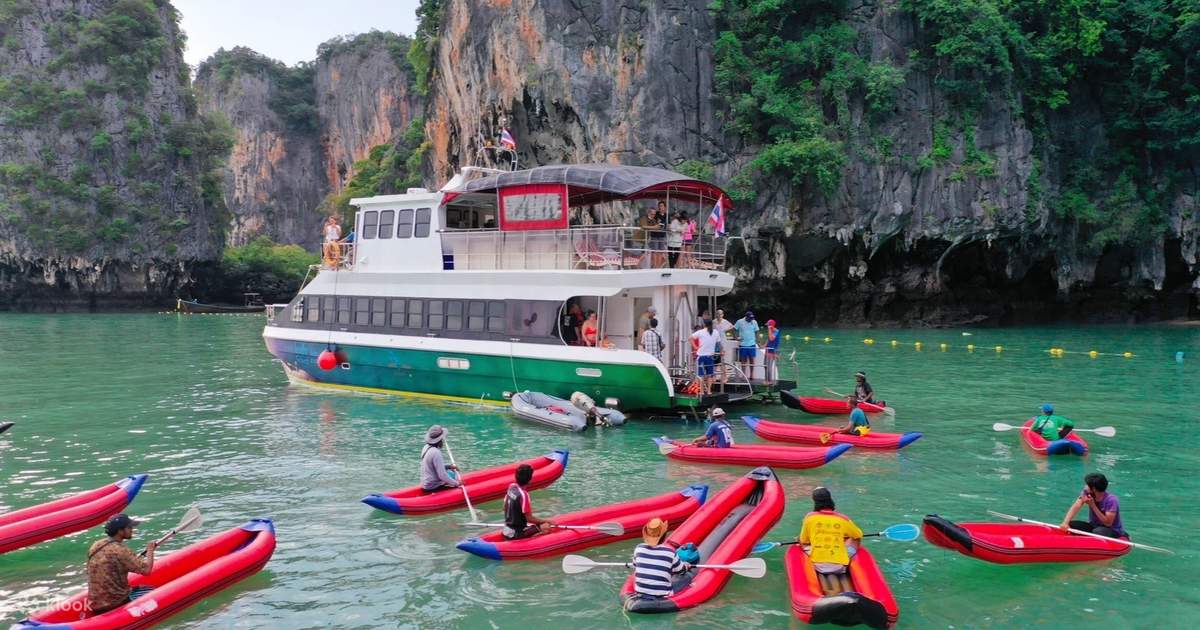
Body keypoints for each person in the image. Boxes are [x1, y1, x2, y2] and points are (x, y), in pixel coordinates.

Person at [86, 514, 157, 614]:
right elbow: (147, 570)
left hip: (95, 604)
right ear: (120, 531)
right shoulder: (121, 551)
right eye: (129, 527)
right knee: (152, 591)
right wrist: (150, 551)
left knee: (138, 587)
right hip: (115, 603)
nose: (132, 529)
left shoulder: (96, 545)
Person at [798, 487, 864, 595]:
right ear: (830, 499)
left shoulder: (809, 517)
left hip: (818, 564)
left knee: (800, 542)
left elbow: (804, 540)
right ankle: (848, 576)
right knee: (855, 539)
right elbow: (858, 534)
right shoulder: (843, 519)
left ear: (815, 501)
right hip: (840, 565)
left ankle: (830, 591)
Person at [629, 517, 691, 599]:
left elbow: (635, 564)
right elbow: (681, 570)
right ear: (664, 535)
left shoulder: (639, 548)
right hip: (662, 593)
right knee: (686, 577)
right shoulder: (670, 552)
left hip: (640, 591)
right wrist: (686, 565)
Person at [1060, 473, 1125, 539]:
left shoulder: (1111, 500)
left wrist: (1093, 505)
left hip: (1112, 530)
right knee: (1071, 525)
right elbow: (1076, 506)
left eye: (1087, 485)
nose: (1085, 486)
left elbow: (1108, 523)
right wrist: (1065, 522)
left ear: (1093, 488)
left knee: (1098, 531)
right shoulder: (1086, 493)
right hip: (1093, 526)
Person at [502, 464, 553, 540]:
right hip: (516, 534)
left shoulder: (511, 486)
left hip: (505, 530)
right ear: (530, 479)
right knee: (545, 526)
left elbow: (504, 507)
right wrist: (546, 521)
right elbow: (529, 519)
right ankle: (530, 543)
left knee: (532, 524)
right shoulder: (524, 495)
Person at [419, 425, 460, 492]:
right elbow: (442, 475)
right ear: (439, 440)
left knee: (449, 472)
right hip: (433, 486)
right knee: (452, 474)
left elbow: (432, 467)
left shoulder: (425, 447)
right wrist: (457, 484)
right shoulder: (436, 452)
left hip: (426, 484)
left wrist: (448, 466)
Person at [690, 319, 721, 395]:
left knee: (701, 374)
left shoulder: (700, 332)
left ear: (704, 324)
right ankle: (709, 391)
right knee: (710, 374)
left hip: (701, 356)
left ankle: (702, 391)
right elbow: (719, 343)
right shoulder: (715, 332)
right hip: (710, 356)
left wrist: (695, 347)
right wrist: (721, 351)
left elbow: (690, 338)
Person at [733, 311, 759, 378]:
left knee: (752, 360)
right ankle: (743, 375)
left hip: (752, 343)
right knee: (743, 360)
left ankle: (751, 375)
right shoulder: (740, 321)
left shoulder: (754, 322)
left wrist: (758, 341)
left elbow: (757, 331)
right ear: (746, 317)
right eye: (750, 318)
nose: (751, 319)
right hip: (743, 344)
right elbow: (734, 329)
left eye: (752, 318)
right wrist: (736, 338)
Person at [712, 309, 733, 388]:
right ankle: (714, 376)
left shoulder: (725, 321)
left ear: (722, 315)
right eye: (717, 314)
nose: (718, 315)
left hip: (723, 342)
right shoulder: (713, 322)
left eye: (720, 314)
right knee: (714, 359)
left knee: (722, 360)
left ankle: (725, 377)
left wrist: (725, 330)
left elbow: (732, 326)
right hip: (715, 343)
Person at [764, 319, 781, 386]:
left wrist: (769, 329)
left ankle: (769, 381)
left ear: (771, 326)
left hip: (772, 351)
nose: (767, 327)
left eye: (768, 325)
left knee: (769, 366)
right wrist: (763, 346)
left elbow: (771, 338)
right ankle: (766, 380)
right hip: (767, 350)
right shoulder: (771, 331)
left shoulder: (776, 331)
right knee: (765, 365)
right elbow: (768, 340)